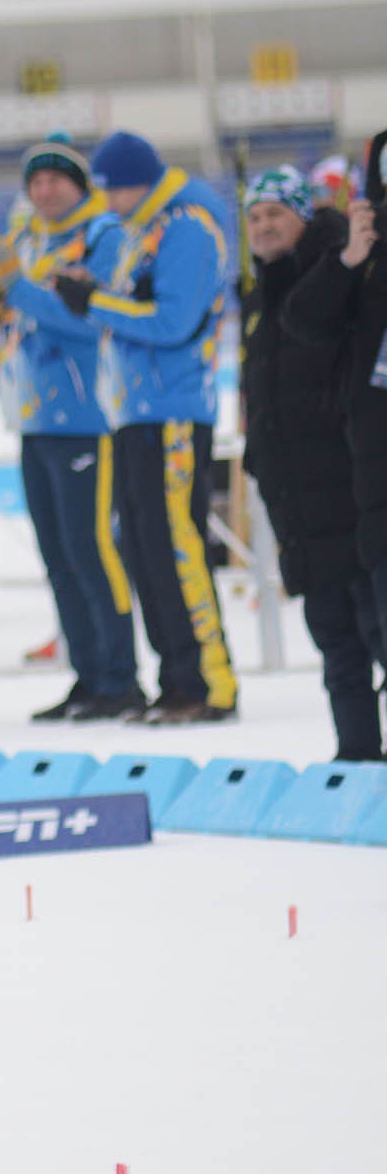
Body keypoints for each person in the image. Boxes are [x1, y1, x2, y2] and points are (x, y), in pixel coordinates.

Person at [40, 130, 238, 724]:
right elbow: (130, 307)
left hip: (174, 411)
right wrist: (93, 293)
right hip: (130, 410)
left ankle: (208, 681)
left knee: (177, 545)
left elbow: (175, 322)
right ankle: (174, 679)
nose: (107, 203)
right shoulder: (135, 232)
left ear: (134, 184)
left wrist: (93, 304)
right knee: (145, 548)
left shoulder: (186, 226)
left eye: (111, 191)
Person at [0, 134, 143, 722]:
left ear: (80, 185)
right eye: (35, 180)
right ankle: (87, 676)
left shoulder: (102, 235)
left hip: (88, 417)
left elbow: (91, 319)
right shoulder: (27, 240)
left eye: (56, 178)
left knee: (92, 548)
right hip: (33, 418)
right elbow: (9, 312)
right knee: (58, 553)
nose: (44, 188)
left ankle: (121, 677)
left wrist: (17, 291)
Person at [238, 167, 381, 760]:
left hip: (352, 495)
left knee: (375, 634)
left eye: (276, 213)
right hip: (300, 503)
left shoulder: (345, 266)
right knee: (336, 645)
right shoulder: (260, 293)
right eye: (254, 217)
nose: (264, 227)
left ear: (304, 215)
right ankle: (356, 758)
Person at [281, 131, 387, 746]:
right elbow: (305, 322)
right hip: (369, 486)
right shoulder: (360, 258)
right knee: (357, 637)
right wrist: (351, 257)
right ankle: (360, 757)